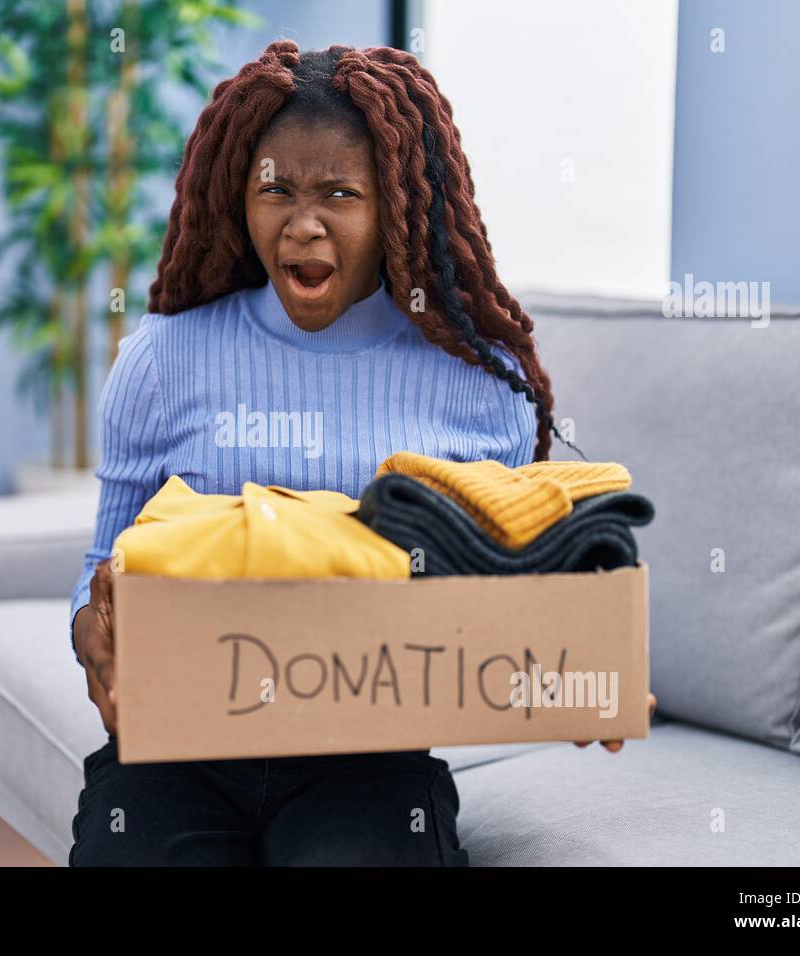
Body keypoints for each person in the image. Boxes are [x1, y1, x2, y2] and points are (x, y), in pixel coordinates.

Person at [67, 41, 650, 866]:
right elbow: (102, 559)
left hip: (369, 765)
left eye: (340, 193)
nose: (303, 223)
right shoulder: (164, 361)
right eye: (276, 190)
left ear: (400, 207)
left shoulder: (481, 384)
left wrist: (577, 672)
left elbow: (515, 586)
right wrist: (92, 627)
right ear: (240, 196)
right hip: (177, 750)